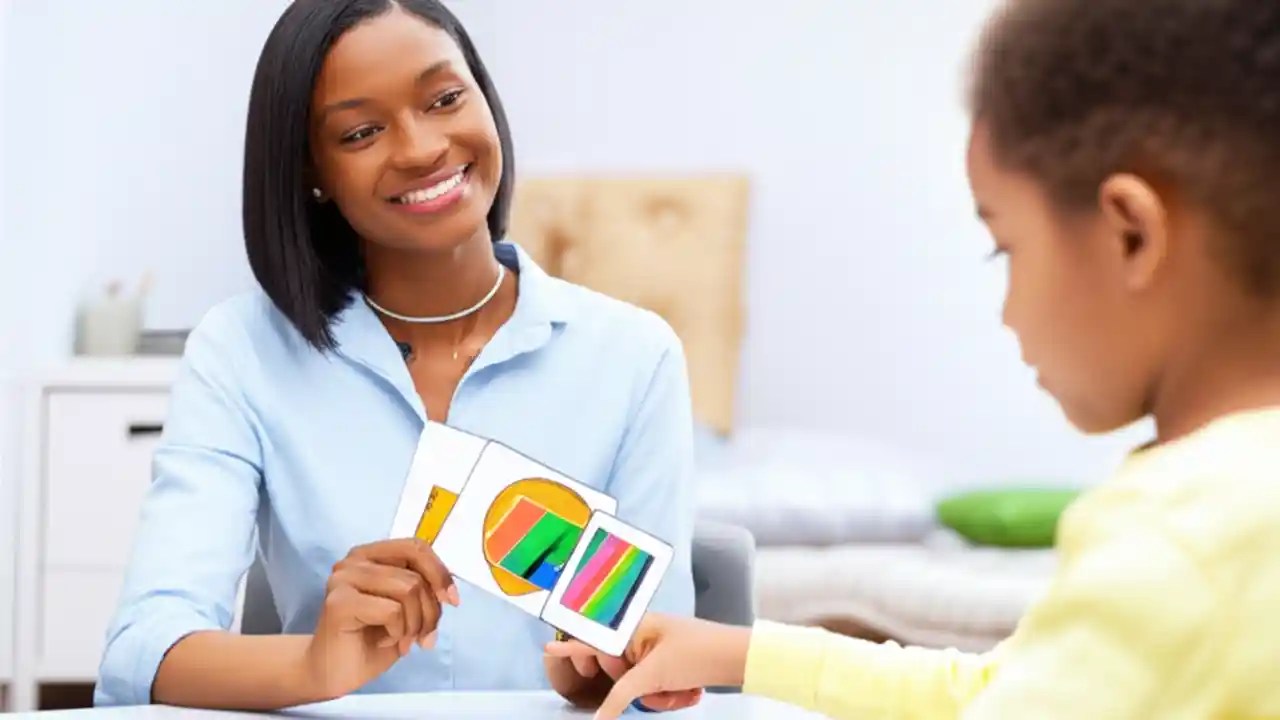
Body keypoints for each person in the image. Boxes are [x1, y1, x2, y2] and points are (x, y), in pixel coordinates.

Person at [548, 0, 1280, 717]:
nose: (1007, 310)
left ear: (1130, 236)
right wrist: (737, 652)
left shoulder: (1181, 532)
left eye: (1007, 247)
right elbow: (997, 691)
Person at [93, 0, 695, 710]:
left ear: (486, 102)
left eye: (444, 98)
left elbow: (667, 664)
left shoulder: (633, 356)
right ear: (312, 171)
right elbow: (141, 650)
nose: (419, 148)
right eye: (362, 131)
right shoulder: (243, 352)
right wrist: (313, 667)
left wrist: (592, 673)